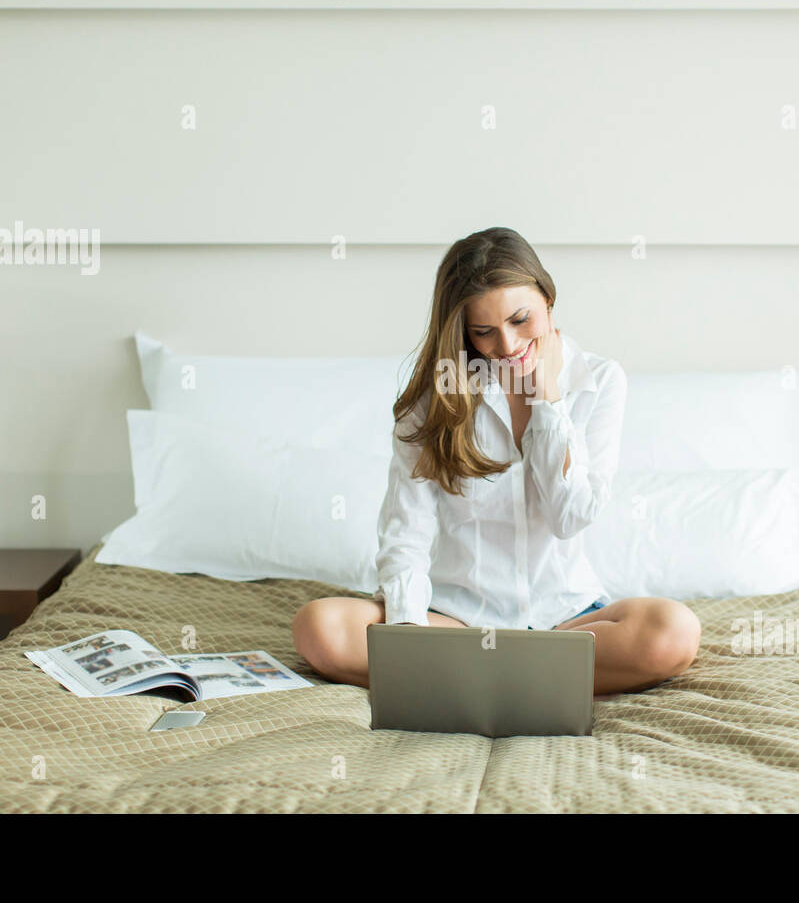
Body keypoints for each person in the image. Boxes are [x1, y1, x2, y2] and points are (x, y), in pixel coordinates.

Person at [292, 227, 700, 696]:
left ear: (548, 299)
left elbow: (571, 517)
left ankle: (470, 680)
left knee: (674, 631)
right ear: (462, 330)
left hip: (567, 619)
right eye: (483, 331)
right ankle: (530, 678)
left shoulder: (601, 380)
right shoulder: (435, 397)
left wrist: (547, 397)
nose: (506, 346)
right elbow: (406, 533)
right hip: (456, 621)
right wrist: (408, 634)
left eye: (521, 320)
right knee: (318, 627)